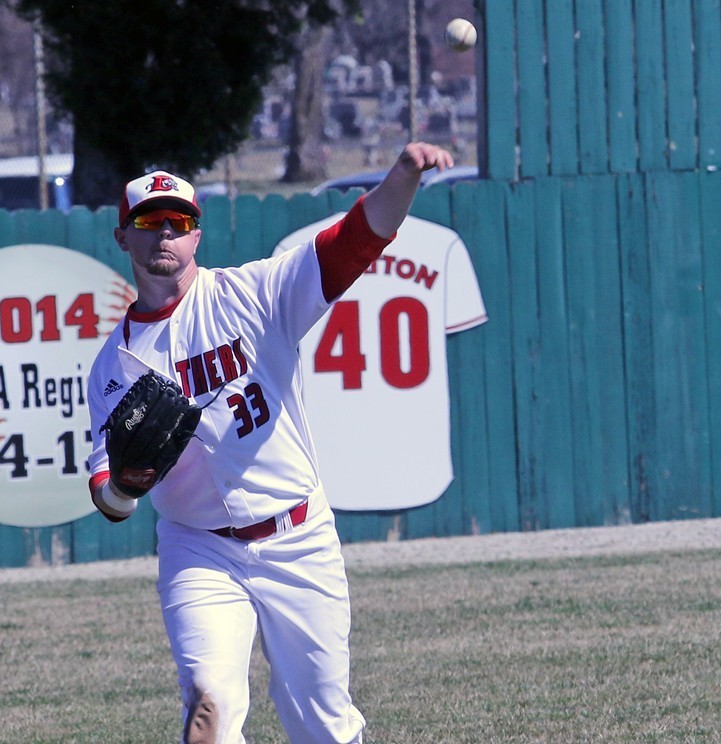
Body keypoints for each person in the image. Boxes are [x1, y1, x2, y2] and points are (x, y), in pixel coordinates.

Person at [84, 142, 456, 743]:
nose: (164, 236)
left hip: (298, 535)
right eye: (149, 223)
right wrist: (126, 483)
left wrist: (404, 177)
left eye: (178, 222)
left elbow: (353, 243)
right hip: (200, 552)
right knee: (212, 707)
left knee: (324, 726)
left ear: (197, 235)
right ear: (122, 236)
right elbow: (109, 493)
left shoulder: (253, 295)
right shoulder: (112, 367)